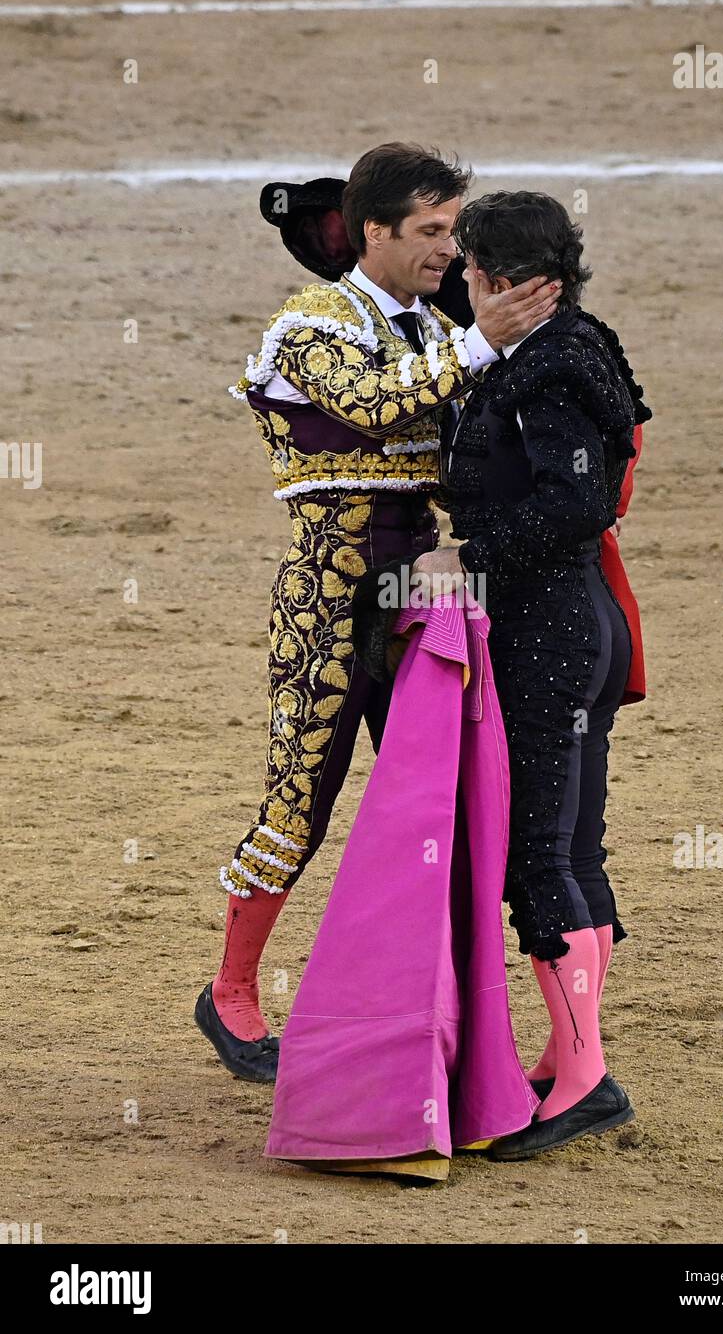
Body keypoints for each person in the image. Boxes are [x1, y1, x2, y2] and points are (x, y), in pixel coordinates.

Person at [195, 145, 560, 1082]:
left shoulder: (435, 326)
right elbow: (373, 404)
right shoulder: (309, 324)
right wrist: (479, 343)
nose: (450, 248)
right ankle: (231, 992)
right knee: (299, 801)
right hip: (327, 593)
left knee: (436, 800)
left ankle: (430, 1010)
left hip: (424, 588)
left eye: (455, 229)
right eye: (432, 231)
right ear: (375, 233)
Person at [414, 190, 652, 1158]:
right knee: (569, 849)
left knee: (537, 857)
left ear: (501, 279)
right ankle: (571, 1048)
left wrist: (469, 558)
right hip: (578, 622)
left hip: (547, 633)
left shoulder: (548, 368)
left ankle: (586, 1070)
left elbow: (578, 500)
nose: (458, 281)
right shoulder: (575, 342)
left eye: (467, 266)